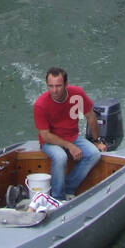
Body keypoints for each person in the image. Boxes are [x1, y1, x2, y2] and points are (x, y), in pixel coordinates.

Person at [33, 68, 107, 202]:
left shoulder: (77, 93)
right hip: (50, 141)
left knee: (94, 154)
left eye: (58, 86)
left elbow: (90, 116)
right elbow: (45, 135)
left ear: (66, 84)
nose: (54, 90)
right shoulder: (40, 105)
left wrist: (97, 141)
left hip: (72, 137)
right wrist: (69, 146)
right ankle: (57, 199)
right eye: (51, 86)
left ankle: (68, 189)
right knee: (61, 157)